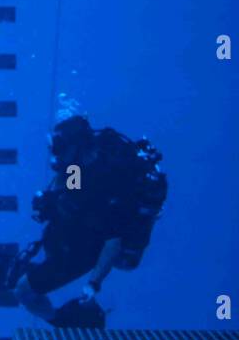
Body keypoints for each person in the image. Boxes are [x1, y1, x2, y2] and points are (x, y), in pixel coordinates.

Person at [10, 114, 168, 326]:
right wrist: (52, 200)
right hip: (75, 233)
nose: (56, 157)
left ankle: (66, 322)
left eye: (61, 149)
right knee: (27, 282)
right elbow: (70, 187)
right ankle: (73, 317)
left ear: (78, 147)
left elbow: (112, 241)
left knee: (23, 291)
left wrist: (93, 284)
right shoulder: (76, 165)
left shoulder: (109, 187)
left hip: (86, 249)